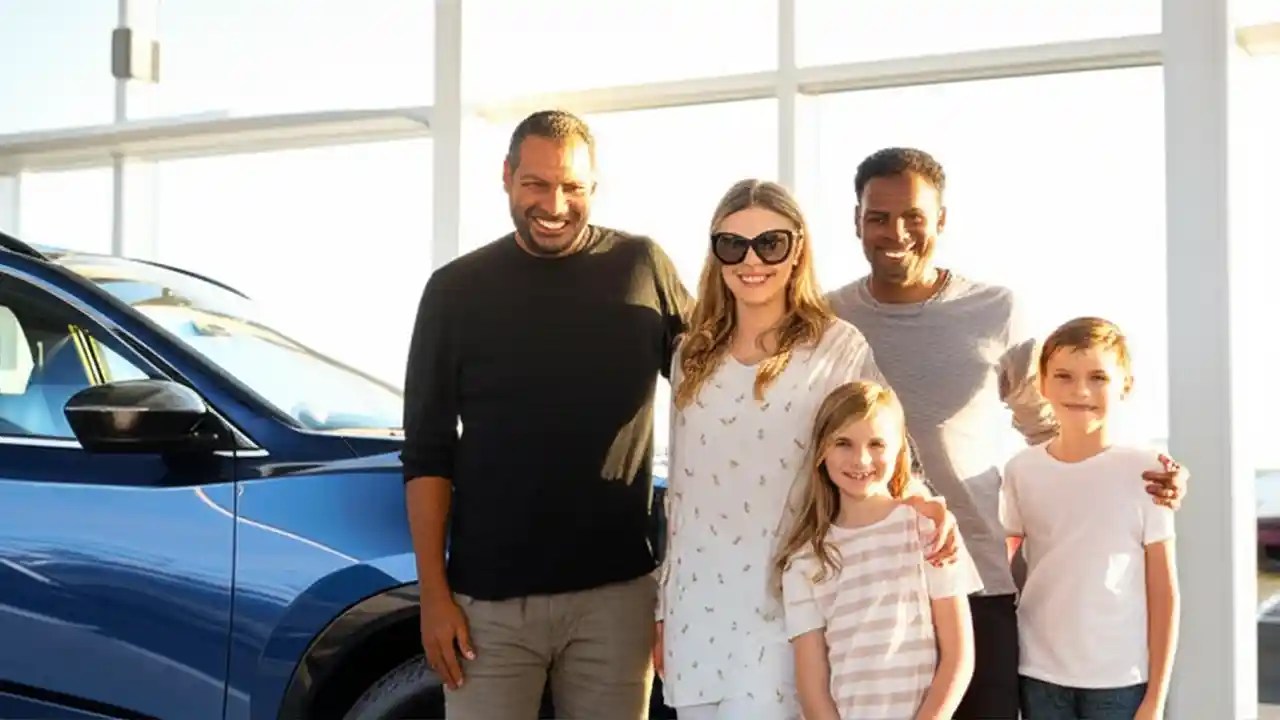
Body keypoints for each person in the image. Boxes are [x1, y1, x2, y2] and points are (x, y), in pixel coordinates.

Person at [825, 147, 1189, 719]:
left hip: (977, 582)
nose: (896, 231)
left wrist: (1144, 472)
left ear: (940, 220)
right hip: (867, 586)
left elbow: (1051, 425)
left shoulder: (996, 310)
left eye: (914, 216)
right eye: (878, 216)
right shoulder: (828, 320)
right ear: (856, 221)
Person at [401, 109, 691, 720]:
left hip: (617, 598)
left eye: (572, 187)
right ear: (506, 177)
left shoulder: (642, 266)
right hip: (489, 606)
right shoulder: (454, 291)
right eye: (536, 183)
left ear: (594, 187)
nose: (554, 203)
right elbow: (427, 452)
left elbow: (719, 385)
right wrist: (434, 595)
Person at [653, 179, 957, 720]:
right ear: (715, 253)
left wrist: (922, 502)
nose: (752, 260)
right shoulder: (691, 356)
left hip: (790, 609)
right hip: (694, 619)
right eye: (732, 244)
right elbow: (680, 490)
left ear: (797, 249)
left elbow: (880, 444)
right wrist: (662, 605)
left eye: (770, 243)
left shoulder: (836, 346)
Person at [999, 317, 1179, 720]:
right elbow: (1006, 561)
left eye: (1098, 377)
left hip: (1120, 682)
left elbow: (1164, 593)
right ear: (1042, 384)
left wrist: (1156, 697)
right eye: (1063, 376)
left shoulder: (1149, 472)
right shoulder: (1020, 470)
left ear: (1126, 385)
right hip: (1038, 673)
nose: (1080, 391)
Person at [778, 381, 983, 720]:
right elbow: (811, 685)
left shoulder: (928, 528)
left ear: (899, 451)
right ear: (821, 451)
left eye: (876, 444)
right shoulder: (805, 559)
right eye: (843, 443)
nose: (861, 459)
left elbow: (959, 655)